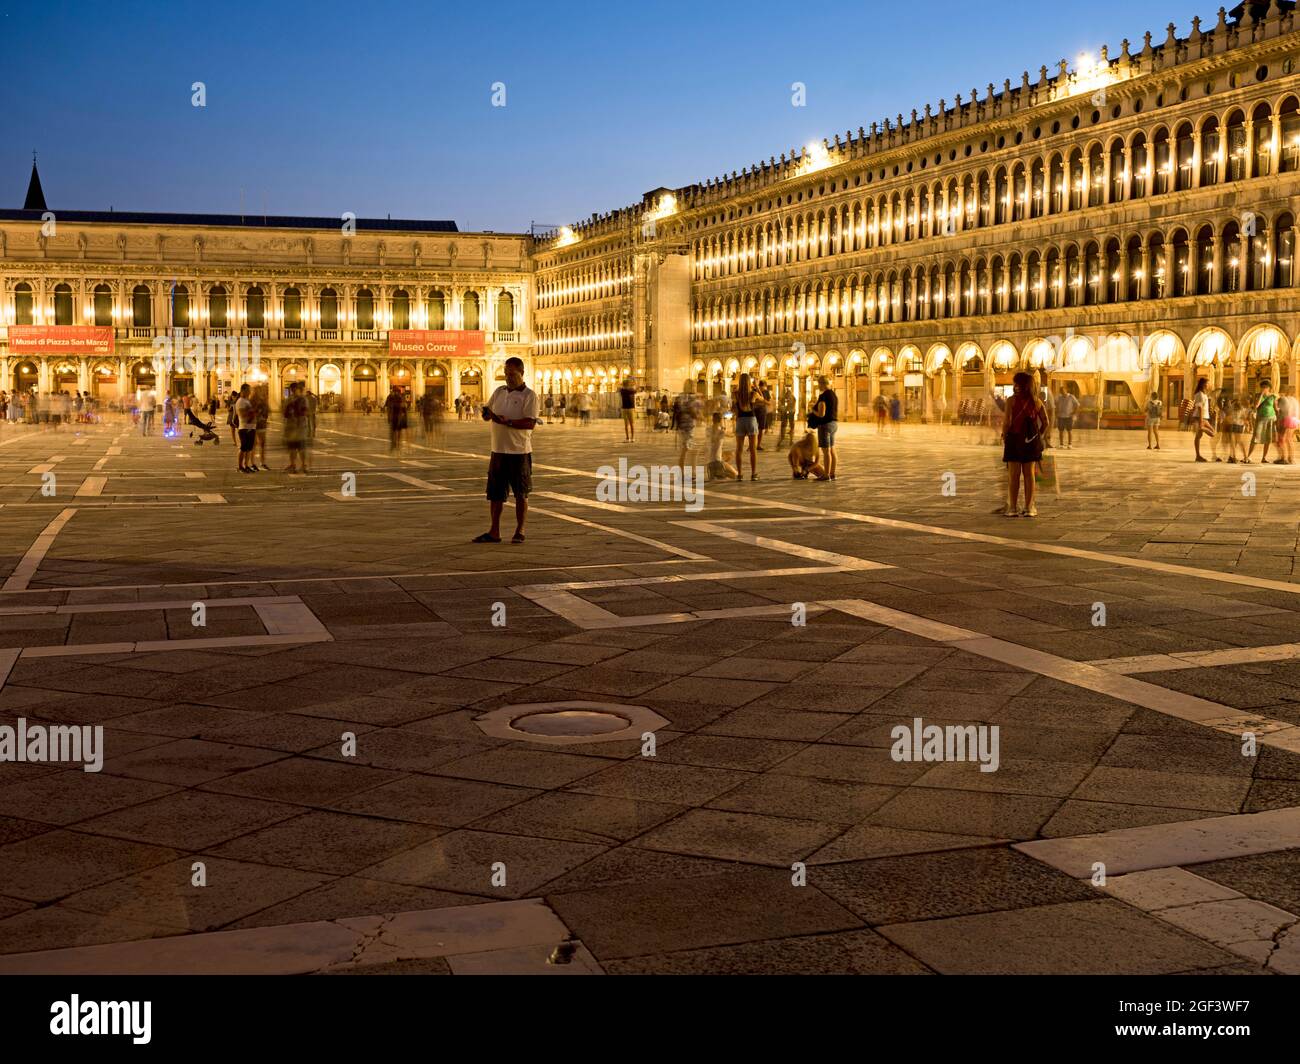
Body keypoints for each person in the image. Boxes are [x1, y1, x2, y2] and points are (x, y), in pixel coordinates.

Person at [474, 356, 538, 544]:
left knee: (521, 493)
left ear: (522, 373)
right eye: (506, 373)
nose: (508, 377)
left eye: (512, 374)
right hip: (498, 450)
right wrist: (487, 414)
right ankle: (494, 531)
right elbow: (489, 411)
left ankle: (520, 530)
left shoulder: (529, 395)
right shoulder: (499, 391)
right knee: (495, 494)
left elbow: (530, 423)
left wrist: (507, 421)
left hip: (519, 451)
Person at [1000, 371, 1049, 517]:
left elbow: (1007, 422)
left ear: (1020, 385)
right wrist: (1038, 434)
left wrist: (1004, 435)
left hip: (1014, 440)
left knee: (1013, 475)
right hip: (1030, 443)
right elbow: (1046, 422)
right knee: (1029, 475)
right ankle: (1029, 508)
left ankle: (1013, 508)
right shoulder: (1037, 401)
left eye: (1016, 383)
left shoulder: (1011, 401)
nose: (1014, 385)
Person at [731, 372, 760, 481]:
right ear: (749, 382)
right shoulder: (753, 393)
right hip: (751, 420)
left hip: (740, 421)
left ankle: (739, 474)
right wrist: (756, 386)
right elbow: (762, 399)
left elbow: (733, 408)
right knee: (753, 449)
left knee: (739, 449)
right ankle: (753, 474)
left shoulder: (735, 394)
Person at [810, 375, 839, 480]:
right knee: (832, 450)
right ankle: (832, 473)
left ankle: (826, 475)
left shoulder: (823, 396)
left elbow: (821, 414)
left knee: (826, 451)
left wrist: (812, 410)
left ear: (822, 384)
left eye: (819, 384)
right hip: (834, 424)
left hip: (825, 425)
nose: (818, 386)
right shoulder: (833, 395)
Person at [282, 381, 310, 474]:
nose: (294, 391)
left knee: (298, 447)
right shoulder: (297, 399)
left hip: (297, 426)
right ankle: (297, 465)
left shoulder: (298, 399)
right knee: (296, 447)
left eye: (295, 389)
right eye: (293, 389)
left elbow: (304, 412)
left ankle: (300, 465)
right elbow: (285, 413)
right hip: (295, 427)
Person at [673, 381, 703, 469]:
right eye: (694, 385)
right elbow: (692, 411)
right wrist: (700, 417)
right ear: (690, 387)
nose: (695, 387)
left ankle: (687, 472)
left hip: (682, 427)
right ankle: (688, 472)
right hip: (688, 427)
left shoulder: (681, 396)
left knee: (687, 450)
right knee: (687, 451)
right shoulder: (690, 398)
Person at [1246, 381, 1277, 465]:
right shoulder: (1257, 395)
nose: (1263, 388)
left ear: (1269, 387)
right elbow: (1256, 406)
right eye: (1262, 387)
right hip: (1261, 418)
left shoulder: (1273, 396)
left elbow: (1275, 408)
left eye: (1265, 387)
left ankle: (1264, 458)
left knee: (1268, 438)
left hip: (1271, 418)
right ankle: (1248, 457)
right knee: (1256, 437)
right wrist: (1261, 395)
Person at [705, 411, 738, 481]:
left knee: (729, 454)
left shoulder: (708, 430)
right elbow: (733, 434)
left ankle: (718, 474)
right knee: (736, 475)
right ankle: (721, 473)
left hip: (709, 465)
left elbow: (713, 441)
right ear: (721, 420)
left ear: (712, 419)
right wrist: (734, 422)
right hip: (718, 463)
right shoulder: (721, 431)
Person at [1189, 377, 1212, 463]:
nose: (1209, 385)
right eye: (1208, 383)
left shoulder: (1203, 394)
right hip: (1200, 417)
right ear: (1203, 384)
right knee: (1200, 436)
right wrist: (1201, 421)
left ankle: (1198, 456)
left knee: (1201, 436)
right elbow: (1200, 408)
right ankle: (1198, 456)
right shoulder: (1199, 394)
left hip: (1203, 417)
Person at [235, 384, 256, 473]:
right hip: (244, 428)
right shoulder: (240, 401)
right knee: (243, 448)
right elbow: (241, 414)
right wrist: (252, 412)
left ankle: (246, 465)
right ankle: (240, 466)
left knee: (249, 449)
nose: (249, 392)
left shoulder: (247, 401)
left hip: (251, 427)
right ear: (243, 390)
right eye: (248, 390)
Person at [384, 384, 408, 452]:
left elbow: (387, 407)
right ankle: (396, 444)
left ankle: (394, 444)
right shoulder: (399, 397)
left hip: (395, 417)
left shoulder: (391, 397)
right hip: (397, 417)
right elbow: (404, 408)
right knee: (396, 432)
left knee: (394, 432)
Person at [1276, 391, 1297, 465]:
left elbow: (1283, 411)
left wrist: (1276, 407)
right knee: (1289, 439)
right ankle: (1291, 458)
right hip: (1294, 420)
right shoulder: (1293, 400)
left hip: (1287, 419)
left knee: (1283, 439)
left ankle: (1285, 458)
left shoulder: (1283, 399)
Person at [753, 381, 770, 451]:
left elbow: (768, 402)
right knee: (755, 429)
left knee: (760, 428)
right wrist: (762, 401)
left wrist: (761, 401)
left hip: (762, 411)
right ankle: (754, 444)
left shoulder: (766, 392)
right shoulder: (755, 391)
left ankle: (758, 444)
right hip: (757, 411)